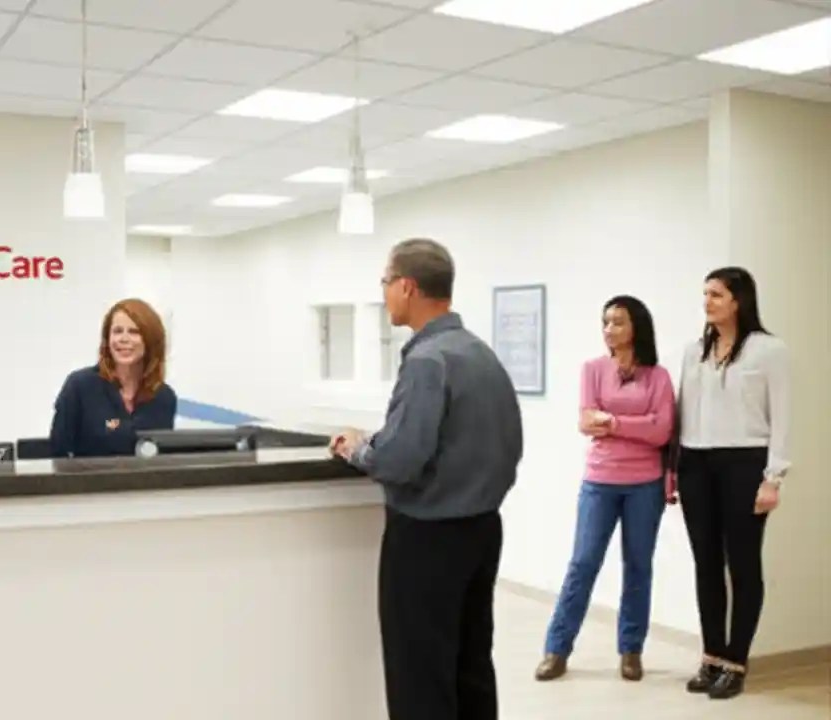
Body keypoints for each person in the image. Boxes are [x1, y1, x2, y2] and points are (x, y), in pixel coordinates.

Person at [332, 238, 522, 720]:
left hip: (427, 538)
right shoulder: (480, 354)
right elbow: (507, 445)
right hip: (482, 530)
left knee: (420, 673)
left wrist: (358, 446)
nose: (385, 294)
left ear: (407, 286)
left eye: (385, 283)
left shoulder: (426, 361)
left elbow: (398, 459)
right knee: (471, 664)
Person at [535, 296, 676, 683]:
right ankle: (556, 648)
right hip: (600, 480)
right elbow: (586, 421)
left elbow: (661, 430)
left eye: (617, 322)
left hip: (644, 485)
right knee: (582, 564)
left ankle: (631, 650)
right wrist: (634, 422)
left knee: (638, 566)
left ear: (636, 328)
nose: (609, 329)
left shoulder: (658, 376)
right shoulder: (593, 369)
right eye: (605, 322)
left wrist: (612, 422)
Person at [675, 266, 790, 700]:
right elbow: (682, 411)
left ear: (738, 300)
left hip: (746, 463)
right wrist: (675, 467)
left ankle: (736, 661)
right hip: (695, 462)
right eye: (705, 294)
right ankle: (711, 656)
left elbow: (782, 417)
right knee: (706, 563)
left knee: (742, 565)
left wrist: (773, 477)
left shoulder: (769, 350)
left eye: (716, 295)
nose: (707, 302)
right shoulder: (693, 351)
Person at [49, 298, 177, 457]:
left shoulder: (164, 397)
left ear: (151, 340)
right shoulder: (80, 386)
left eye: (134, 332)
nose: (123, 339)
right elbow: (57, 454)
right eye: (117, 331)